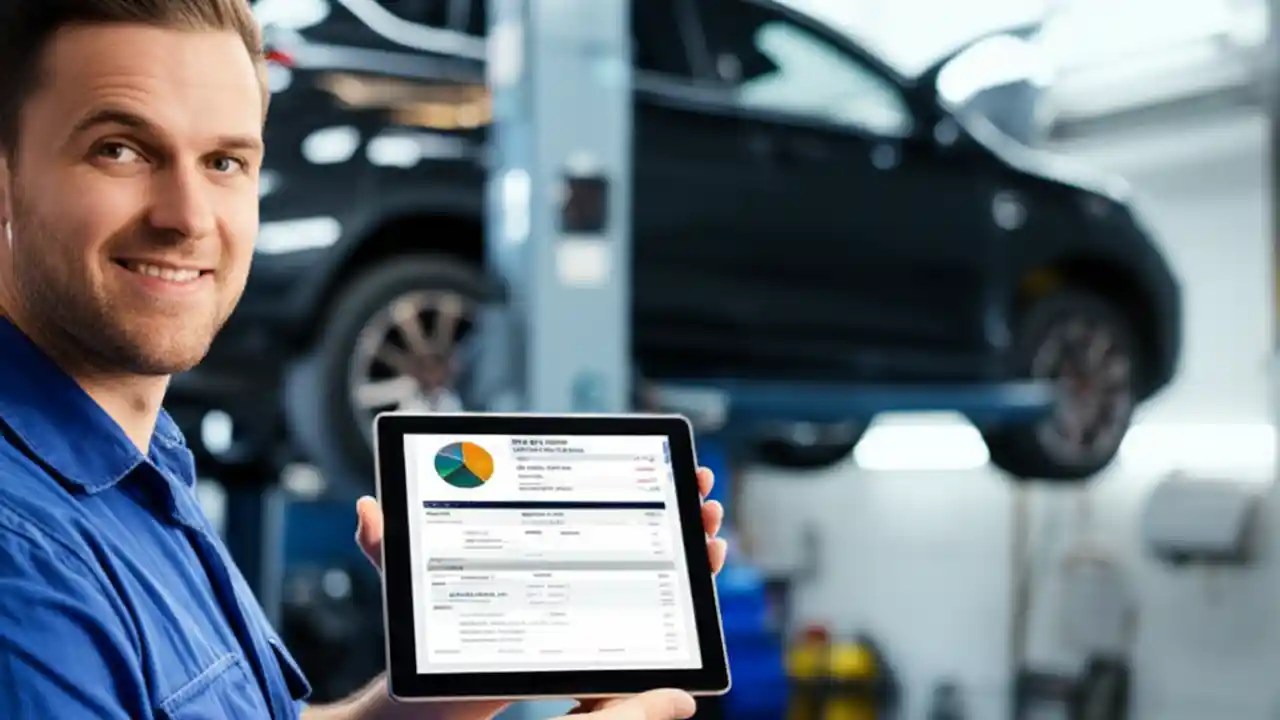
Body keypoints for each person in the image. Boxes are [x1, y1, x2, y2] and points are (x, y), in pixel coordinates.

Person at [0, 1, 729, 718]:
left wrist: (456, 679)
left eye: (225, 161)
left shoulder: (137, 468)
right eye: (120, 150)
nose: (188, 215)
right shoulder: (21, 560)